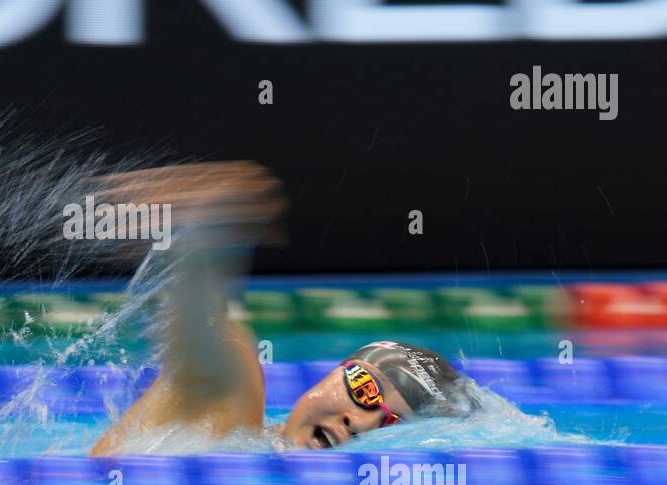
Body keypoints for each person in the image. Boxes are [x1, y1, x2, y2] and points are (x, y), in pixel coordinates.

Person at [88, 162, 478, 455]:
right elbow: (204, 331)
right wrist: (202, 245)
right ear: (333, 374)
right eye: (364, 390)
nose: (358, 423)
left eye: (391, 427)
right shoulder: (228, 406)